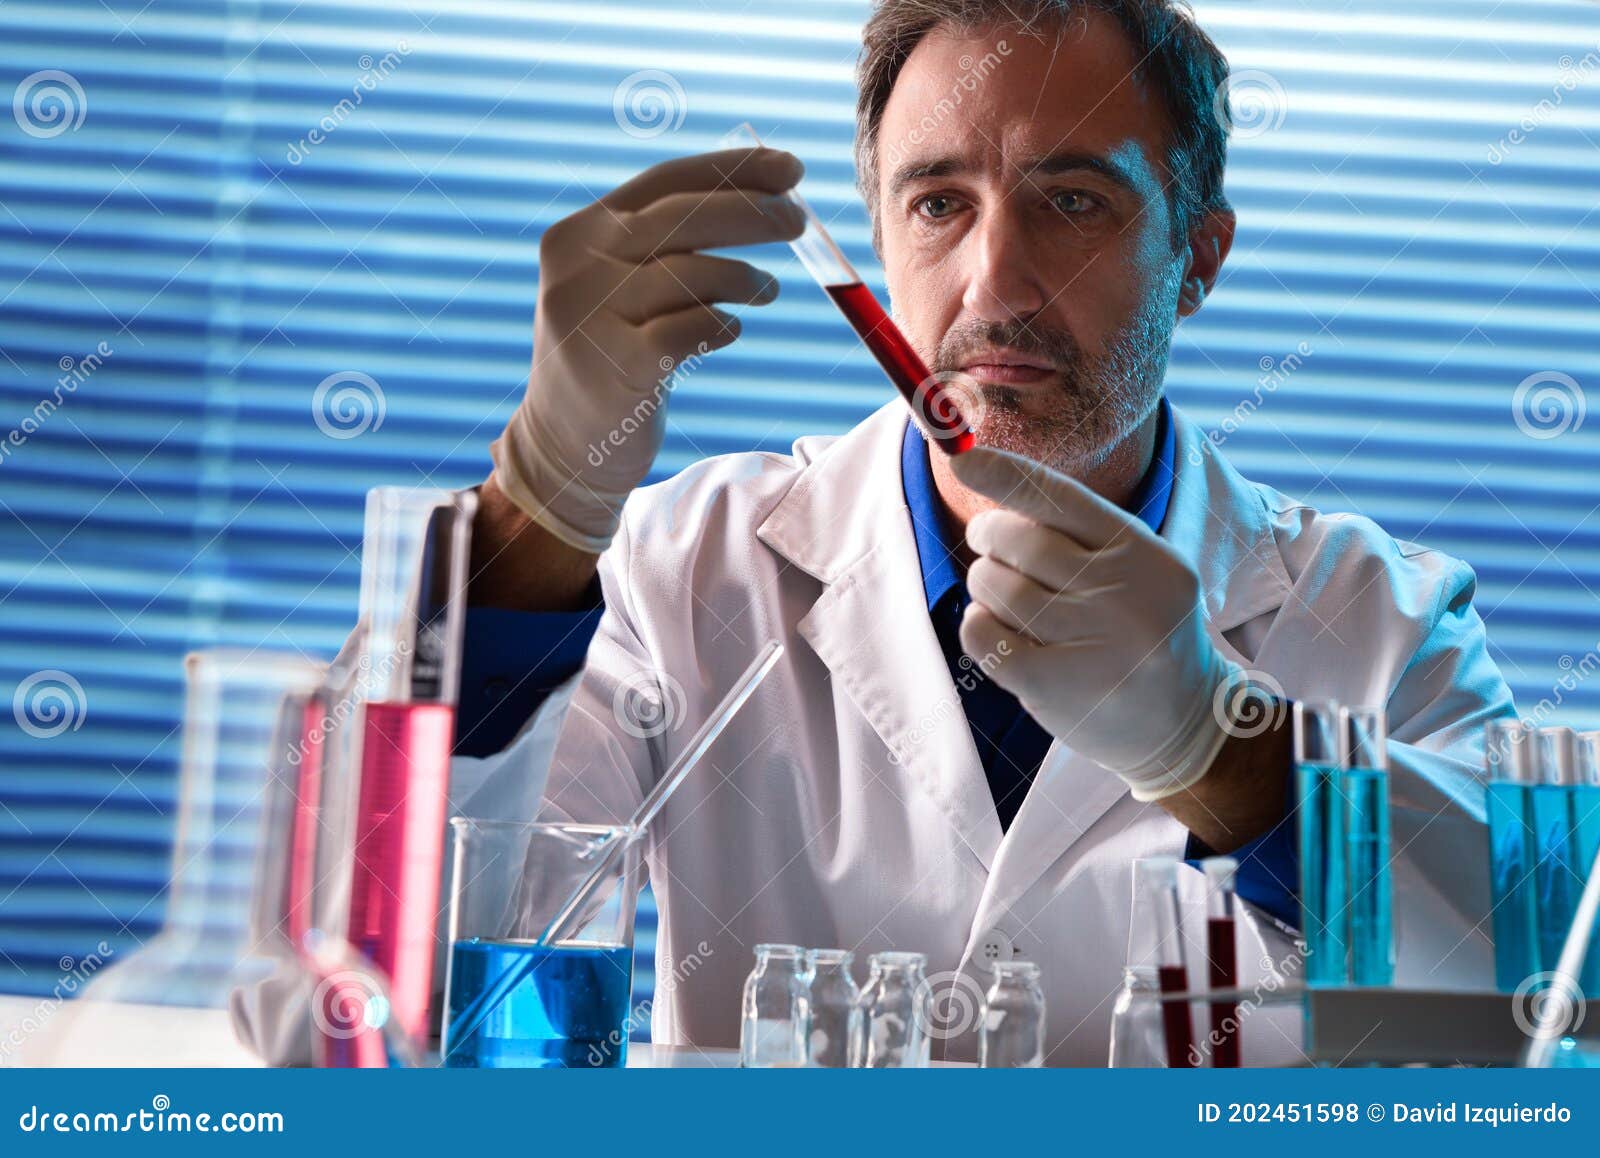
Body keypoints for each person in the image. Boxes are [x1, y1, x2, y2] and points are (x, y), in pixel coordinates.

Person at [242, 0, 1514, 1066]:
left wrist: (1227, 752)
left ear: (1199, 257)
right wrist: (534, 520)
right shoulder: (688, 568)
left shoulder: (1378, 619)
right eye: (938, 204)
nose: (994, 286)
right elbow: (340, 1019)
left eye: (1073, 202)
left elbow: (1544, 1014)